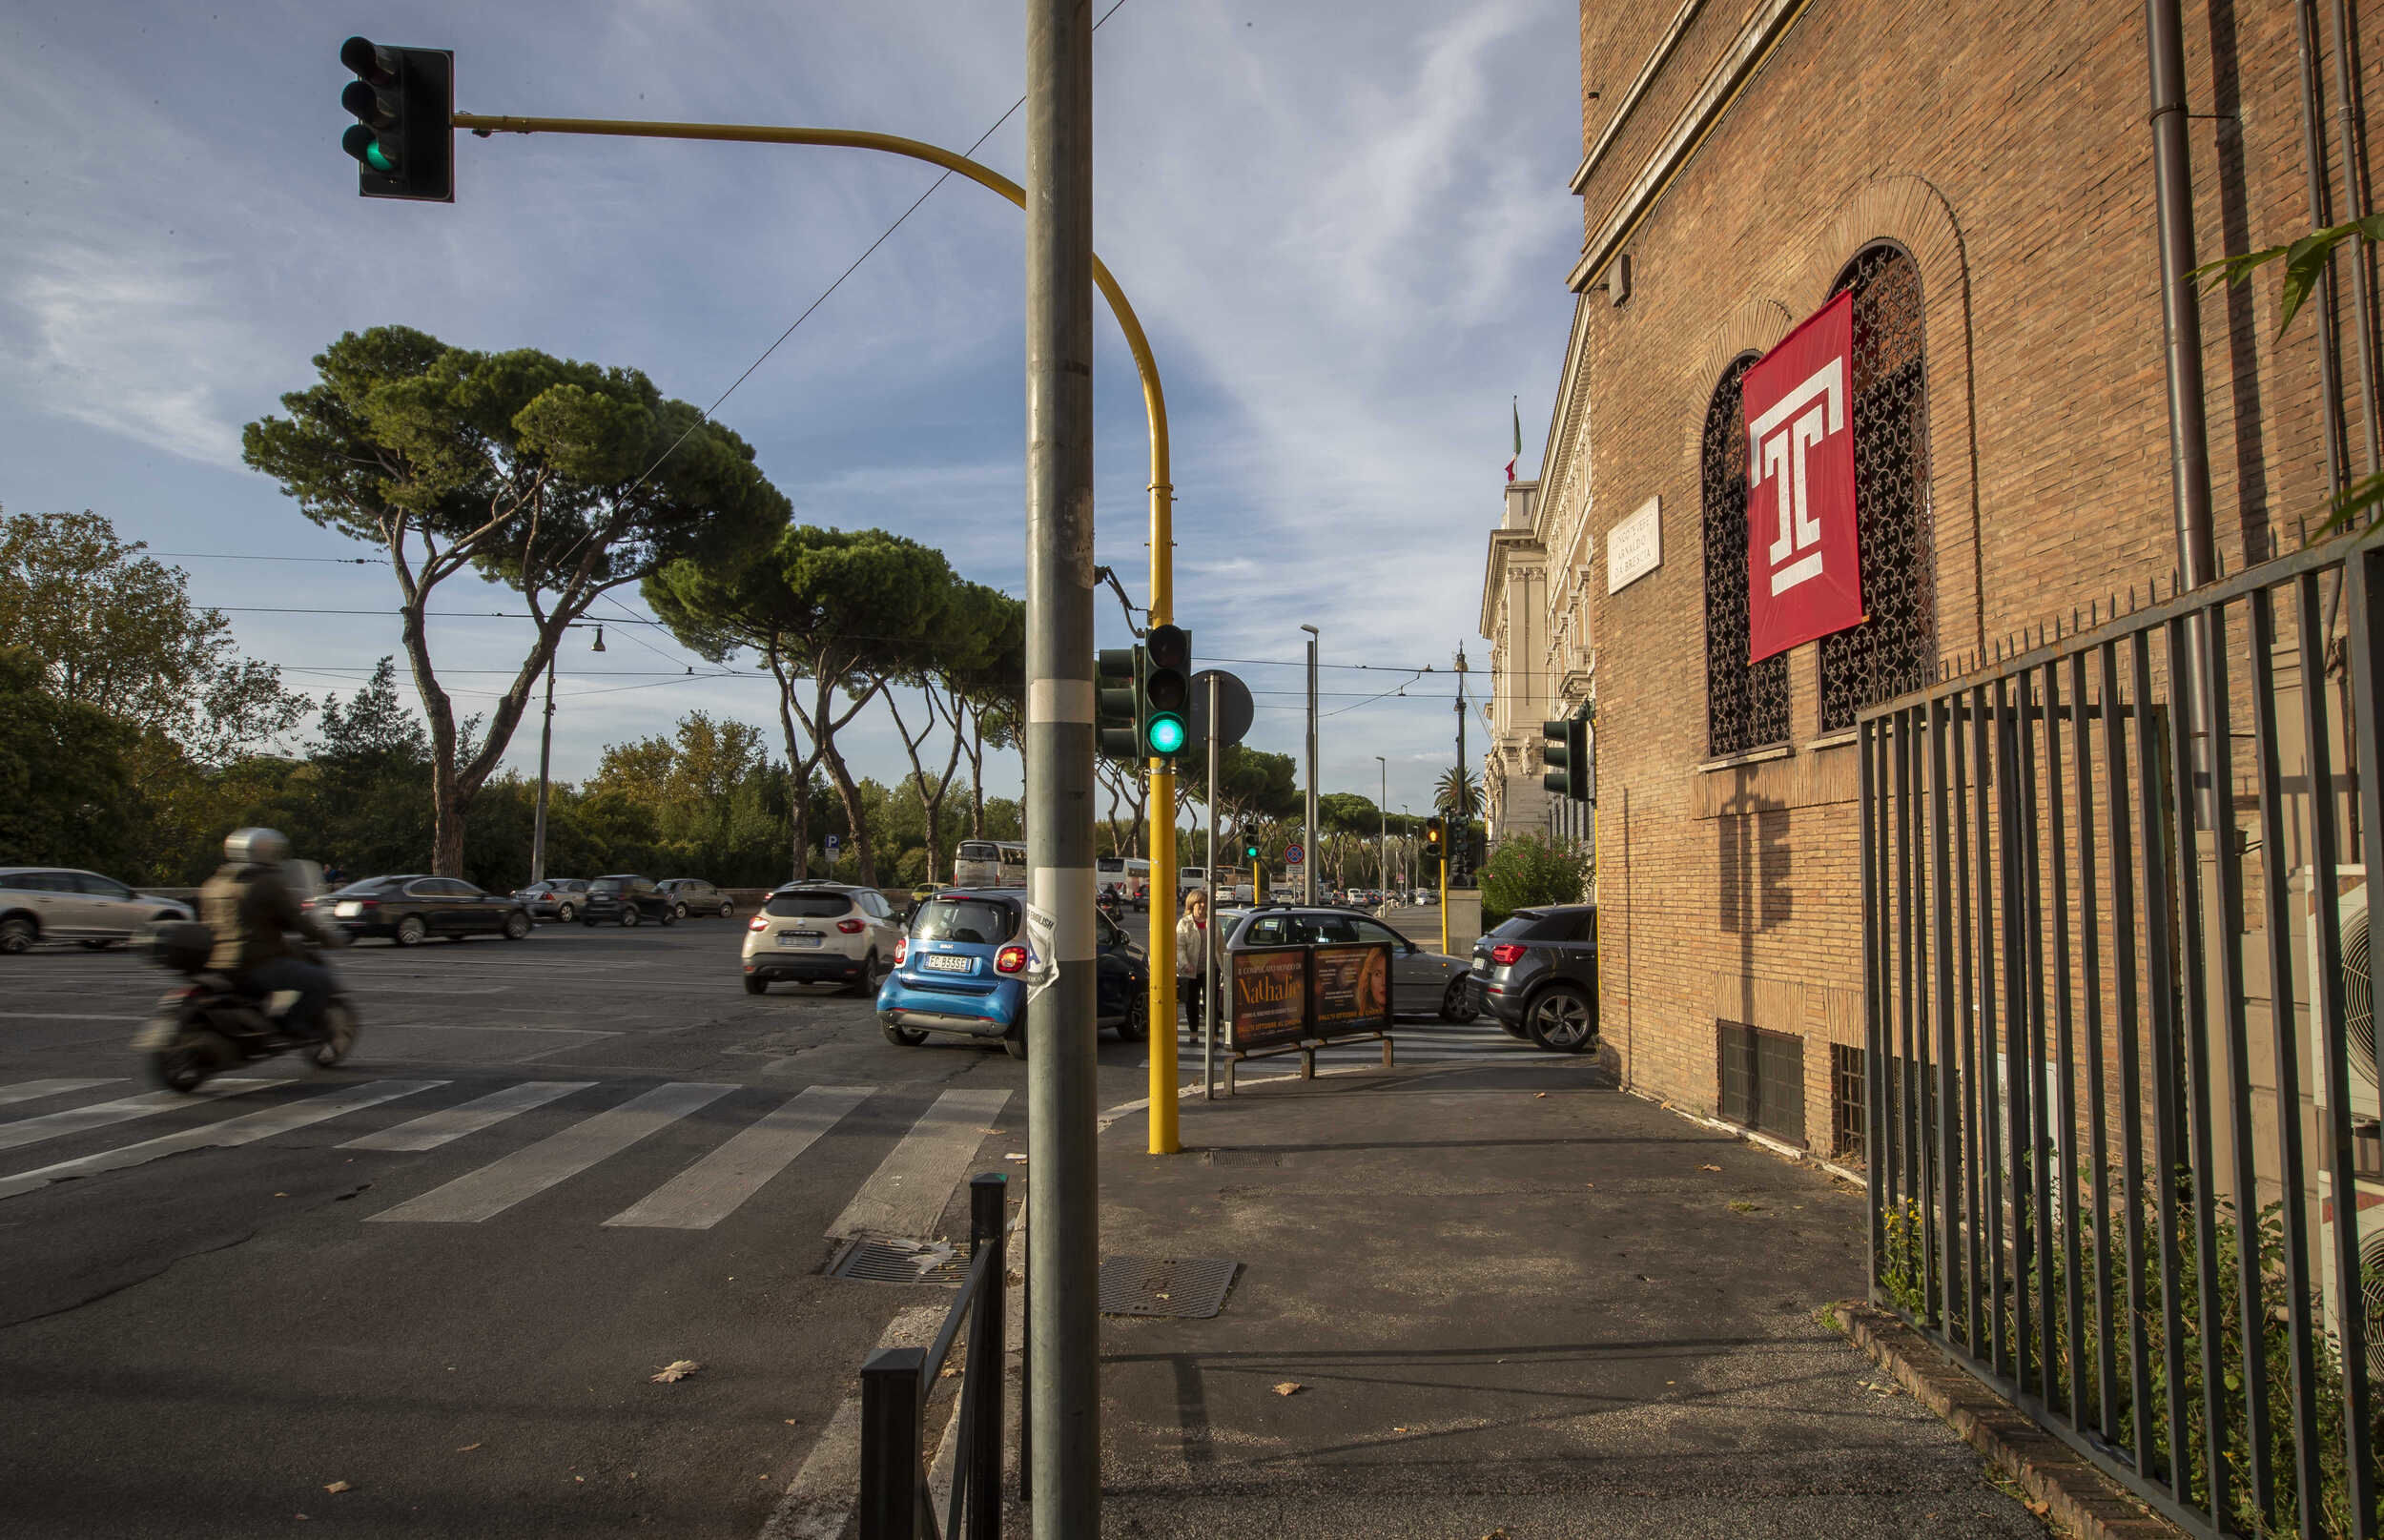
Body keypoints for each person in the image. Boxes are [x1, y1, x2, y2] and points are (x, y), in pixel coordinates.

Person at [199, 828, 340, 1039]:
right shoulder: (265, 883)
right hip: (255, 963)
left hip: (218, 964)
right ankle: (295, 1025)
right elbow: (296, 919)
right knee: (320, 980)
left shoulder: (215, 884)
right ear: (267, 853)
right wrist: (327, 937)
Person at [1175, 888, 1212, 1037]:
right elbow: (1179, 947)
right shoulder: (1184, 923)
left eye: (1205, 902)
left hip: (1209, 969)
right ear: (1192, 904)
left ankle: (1213, 1035)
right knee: (1192, 1002)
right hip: (1191, 971)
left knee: (1211, 1004)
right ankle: (1193, 1033)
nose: (1202, 905)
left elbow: (1220, 945)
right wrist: (1185, 963)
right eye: (1199, 902)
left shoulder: (1212, 921)